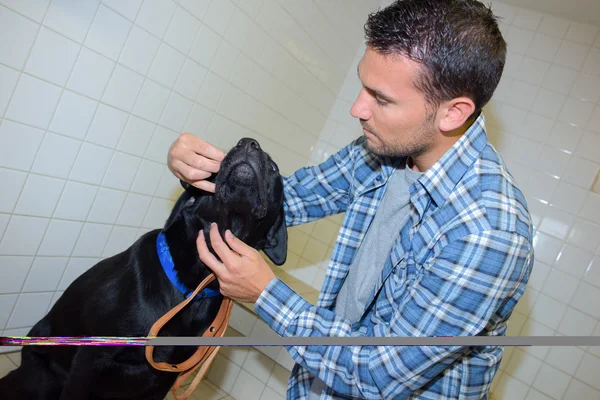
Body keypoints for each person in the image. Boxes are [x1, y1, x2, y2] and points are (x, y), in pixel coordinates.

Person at [167, 0, 534, 398]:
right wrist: (210, 171)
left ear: (453, 113)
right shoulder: (384, 150)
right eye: (363, 85)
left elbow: (380, 374)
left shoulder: (488, 232)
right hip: (320, 382)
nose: (357, 108)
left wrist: (265, 293)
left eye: (382, 98)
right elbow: (287, 200)